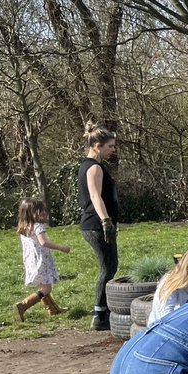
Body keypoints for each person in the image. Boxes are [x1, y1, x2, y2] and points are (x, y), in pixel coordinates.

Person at [78, 124, 119, 330]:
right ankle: (100, 315)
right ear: (97, 146)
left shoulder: (88, 165)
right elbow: (95, 195)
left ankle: (103, 311)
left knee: (110, 266)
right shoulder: (94, 167)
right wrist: (106, 221)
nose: (113, 150)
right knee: (107, 267)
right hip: (96, 225)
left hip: (94, 224)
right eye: (110, 146)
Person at [14, 198, 70, 321]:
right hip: (41, 261)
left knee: (42, 287)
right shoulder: (37, 226)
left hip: (30, 261)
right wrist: (61, 248)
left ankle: (53, 309)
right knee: (46, 288)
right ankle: (23, 305)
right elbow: (43, 242)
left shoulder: (24, 227)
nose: (44, 213)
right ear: (32, 213)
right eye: (40, 211)